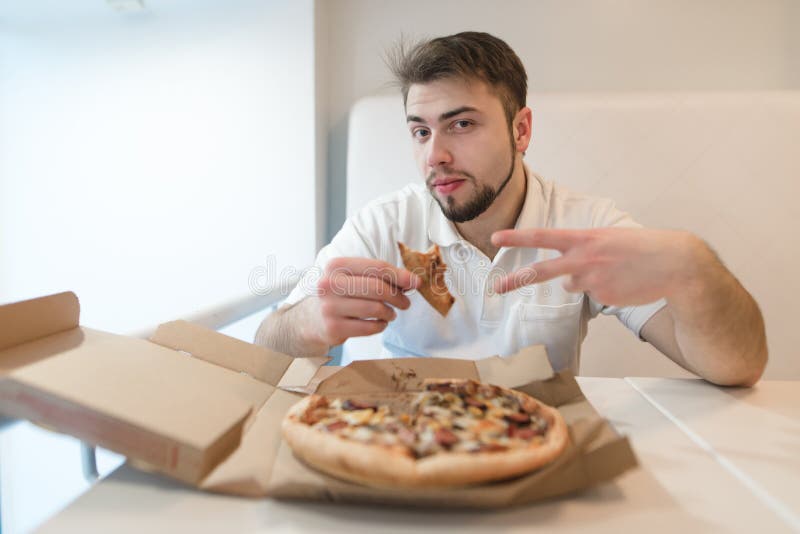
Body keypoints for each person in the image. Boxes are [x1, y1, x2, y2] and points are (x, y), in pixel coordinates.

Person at [256, 31, 767, 386]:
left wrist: (694, 267)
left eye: (461, 124)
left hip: (534, 448)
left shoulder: (585, 227)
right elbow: (264, 350)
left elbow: (737, 367)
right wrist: (307, 324)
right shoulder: (383, 225)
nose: (434, 155)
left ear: (520, 130)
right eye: (421, 131)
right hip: (408, 444)